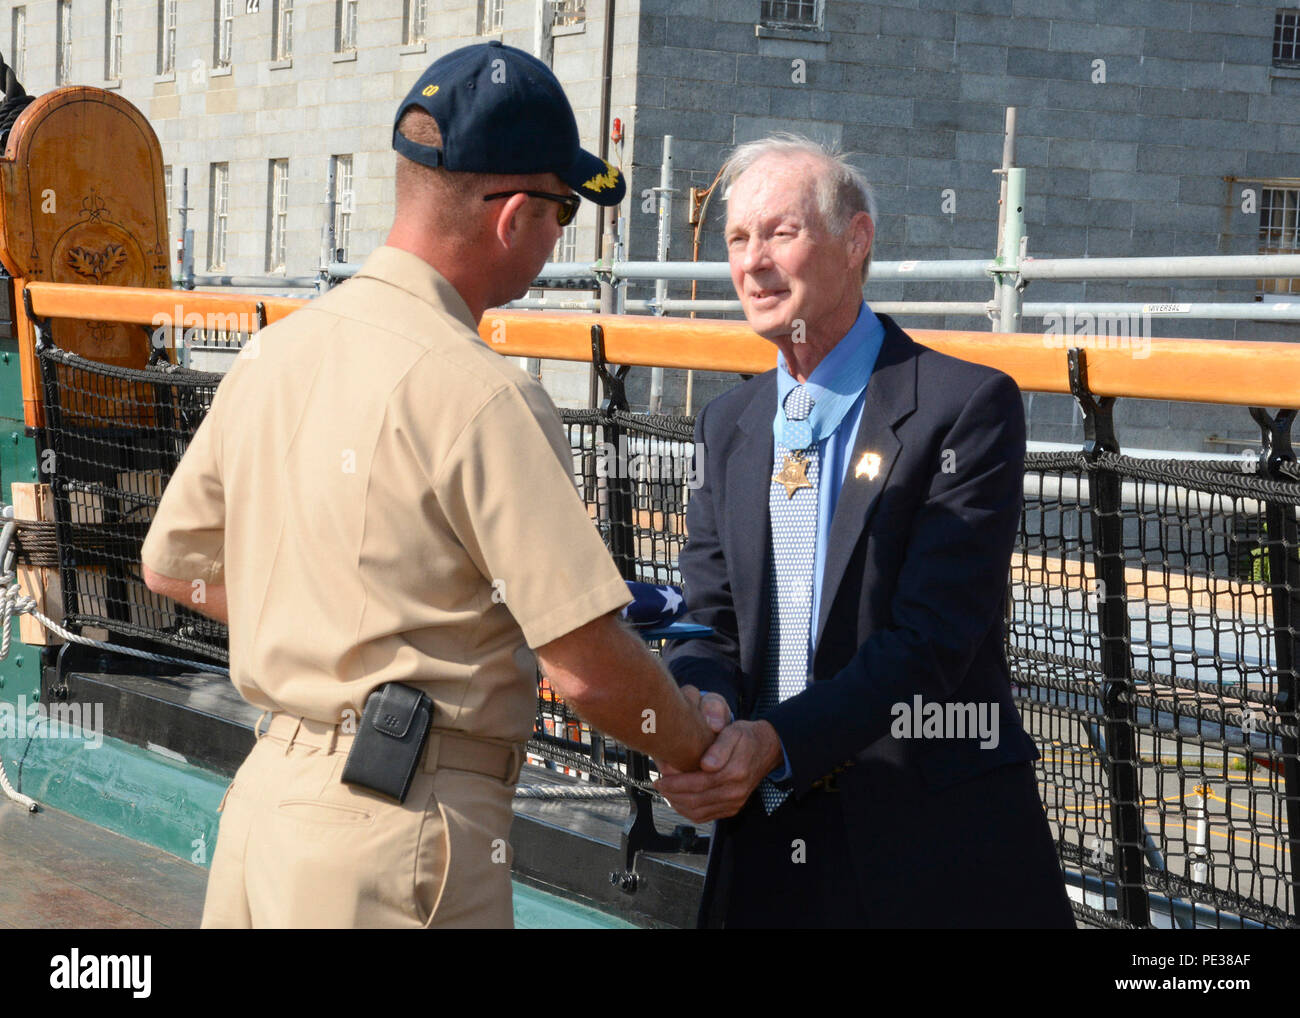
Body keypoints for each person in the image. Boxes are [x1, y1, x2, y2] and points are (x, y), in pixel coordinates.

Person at [140, 41, 716, 928]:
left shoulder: (274, 353)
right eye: (563, 209)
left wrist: (329, 618)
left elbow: (175, 569)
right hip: (398, 827)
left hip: (265, 808)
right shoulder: (485, 395)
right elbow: (585, 666)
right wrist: (696, 742)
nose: (560, 233)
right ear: (514, 215)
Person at [656, 134, 1075, 928]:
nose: (753, 263)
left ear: (857, 241)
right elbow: (706, 619)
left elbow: (930, 642)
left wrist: (771, 743)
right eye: (738, 240)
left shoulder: (966, 407)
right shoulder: (727, 423)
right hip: (765, 842)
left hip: (929, 851)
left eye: (781, 232)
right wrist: (701, 718)